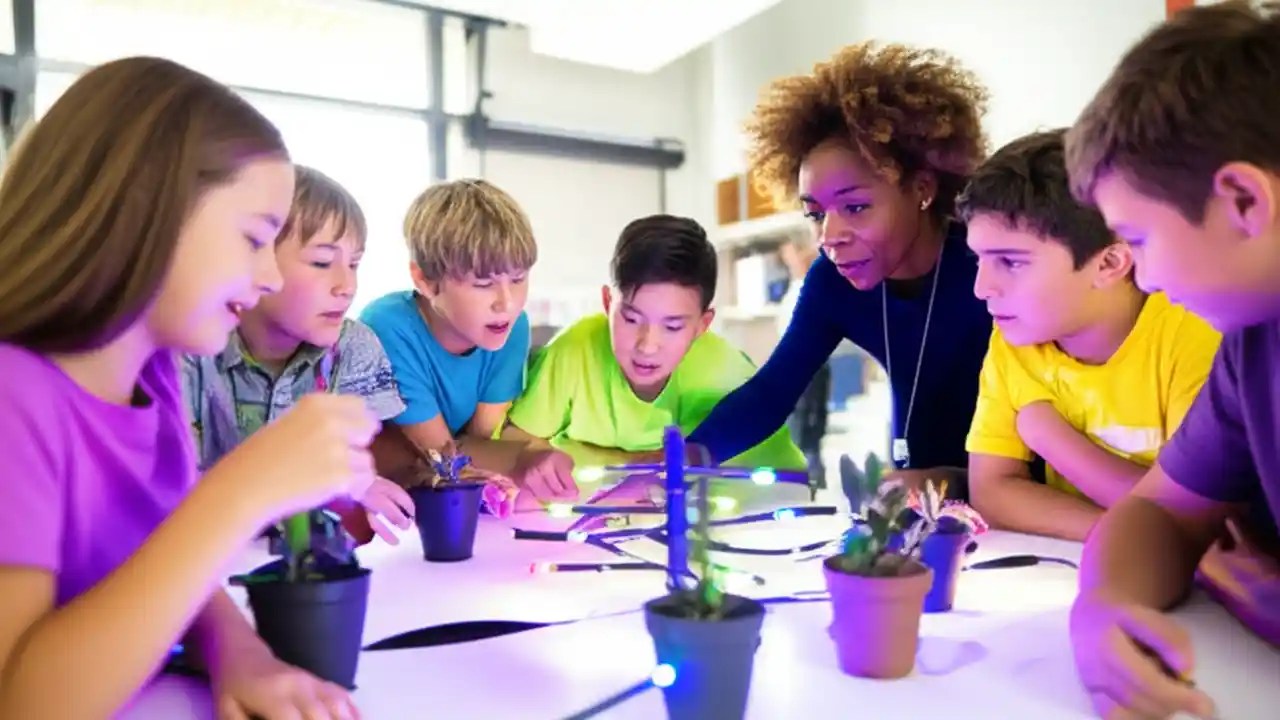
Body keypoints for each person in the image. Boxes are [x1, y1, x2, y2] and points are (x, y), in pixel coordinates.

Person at [0, 57, 374, 719]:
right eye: (256, 238)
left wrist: (240, 654)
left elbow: (164, 567)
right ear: (144, 211)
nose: (269, 276)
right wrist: (241, 490)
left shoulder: (154, 381)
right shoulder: (14, 395)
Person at [1063, 2, 1280, 717]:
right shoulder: (1253, 336)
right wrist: (1104, 604)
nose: (1145, 279)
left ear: (1244, 199)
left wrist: (1250, 589)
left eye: (1139, 239)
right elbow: (1160, 511)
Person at [685, 41, 994, 493]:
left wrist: (953, 481)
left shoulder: (987, 265)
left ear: (923, 188)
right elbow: (772, 392)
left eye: (856, 206)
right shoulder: (834, 283)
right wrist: (680, 459)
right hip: (918, 497)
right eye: (816, 214)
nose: (829, 236)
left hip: (1009, 491)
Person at [960, 129, 1220, 542]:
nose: (982, 287)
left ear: (1110, 263)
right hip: (1105, 563)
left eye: (1010, 262)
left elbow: (1190, 510)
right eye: (979, 259)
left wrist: (1052, 437)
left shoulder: (1194, 334)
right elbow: (991, 491)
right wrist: (1114, 533)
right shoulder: (1016, 337)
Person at [183, 165, 414, 546]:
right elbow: (164, 495)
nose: (348, 285)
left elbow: (370, 469)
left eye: (354, 263)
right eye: (322, 262)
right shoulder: (192, 349)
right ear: (254, 259)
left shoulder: (354, 348)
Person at [503, 215, 806, 503]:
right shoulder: (575, 350)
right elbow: (513, 442)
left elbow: (787, 484)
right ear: (608, 302)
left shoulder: (724, 373)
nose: (647, 346)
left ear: (703, 324)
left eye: (673, 327)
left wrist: (595, 460)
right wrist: (531, 458)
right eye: (631, 319)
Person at [360, 179, 576, 506]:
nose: (507, 303)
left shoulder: (511, 327)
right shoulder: (387, 328)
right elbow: (445, 458)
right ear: (425, 281)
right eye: (483, 283)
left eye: (518, 279)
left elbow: (475, 444)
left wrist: (532, 457)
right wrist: (521, 459)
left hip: (439, 484)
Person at [777, 235, 831, 494]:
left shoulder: (810, 290)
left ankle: (809, 476)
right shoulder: (796, 290)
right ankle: (801, 478)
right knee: (800, 422)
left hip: (813, 364)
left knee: (811, 422)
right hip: (798, 364)